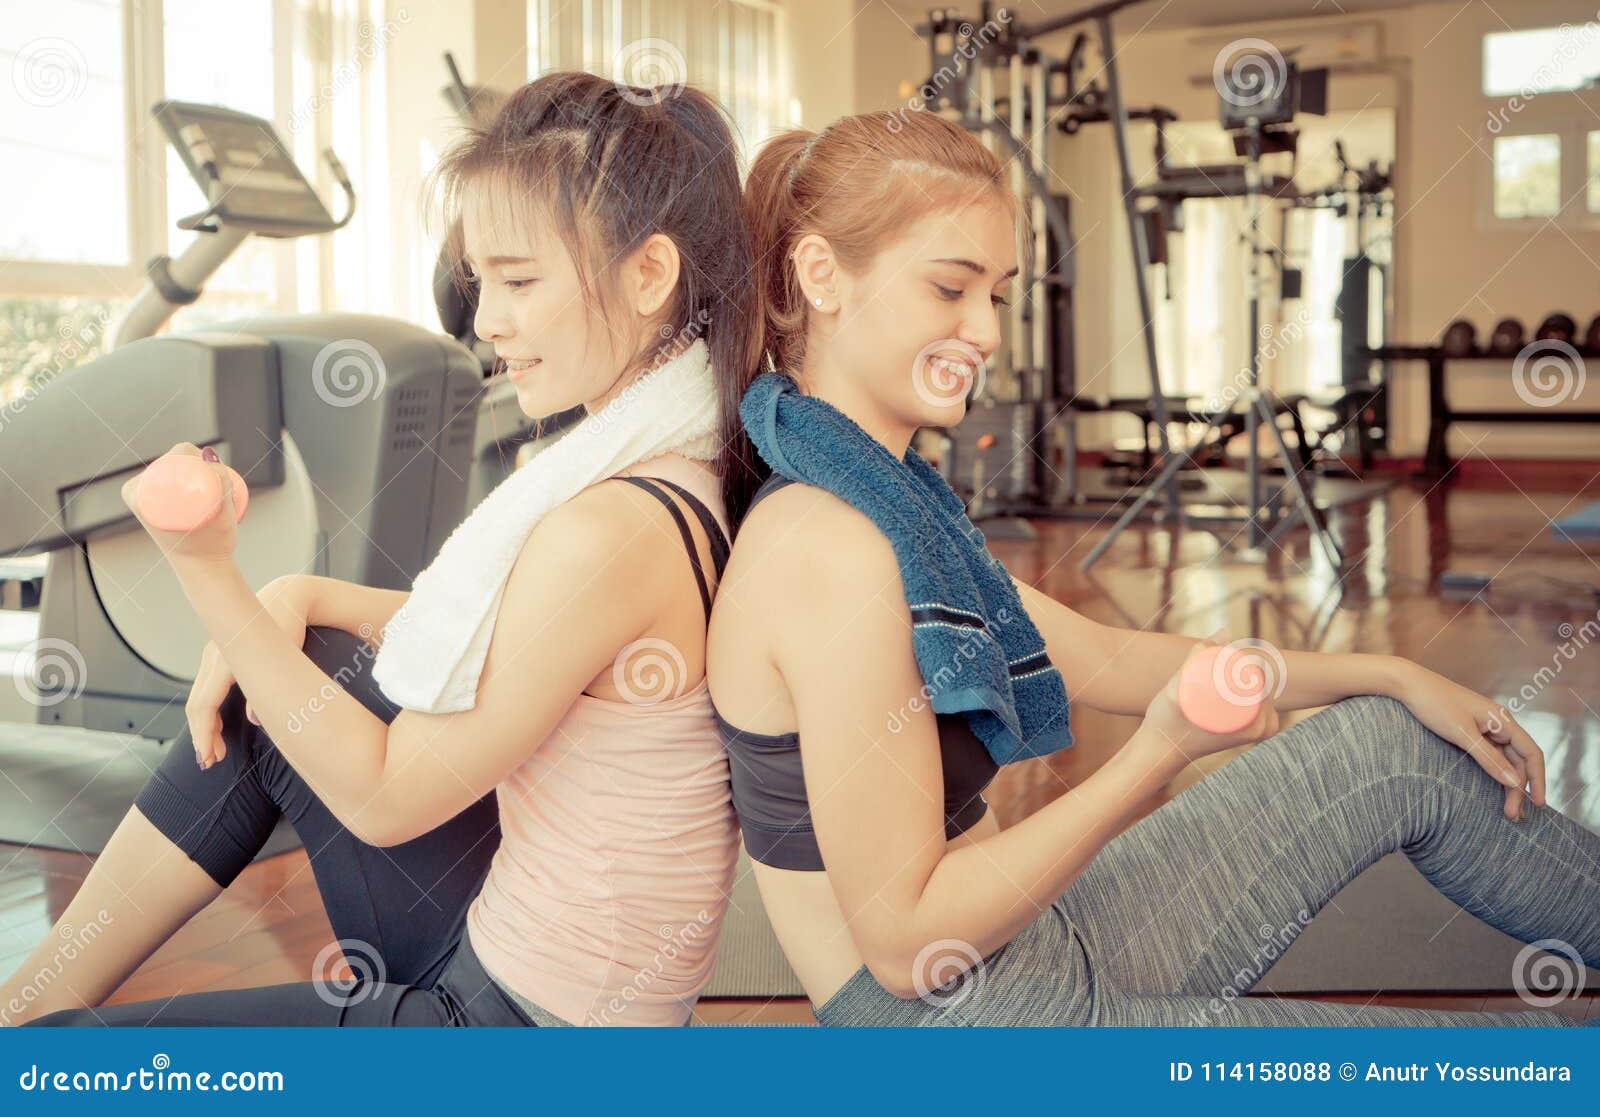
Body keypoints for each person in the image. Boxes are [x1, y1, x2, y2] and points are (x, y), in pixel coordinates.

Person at [704, 108, 1600, 1027]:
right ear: (822, 275)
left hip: (1038, 954)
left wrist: (1392, 673)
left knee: (1388, 746)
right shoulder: (829, 548)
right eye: (949, 289)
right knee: (1533, 1055)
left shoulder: (889, 500)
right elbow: (902, 944)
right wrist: (1161, 753)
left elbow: (1099, 656)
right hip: (989, 1041)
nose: (986, 331)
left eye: (999, 295)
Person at [9, 71, 757, 1027]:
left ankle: (28, 1033)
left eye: (521, 281)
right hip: (530, 967)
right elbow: (524, 648)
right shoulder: (680, 465)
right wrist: (302, 595)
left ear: (650, 275)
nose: (487, 321)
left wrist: (206, 569)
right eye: (483, 281)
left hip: (509, 1032)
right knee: (288, 668)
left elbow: (383, 798)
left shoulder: (607, 532)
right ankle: (20, 1004)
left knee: (67, 1068)